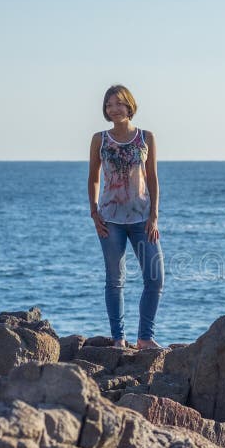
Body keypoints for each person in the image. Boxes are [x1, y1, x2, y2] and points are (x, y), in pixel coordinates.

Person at [88, 84, 164, 350]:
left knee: (155, 277)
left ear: (129, 105)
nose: (114, 109)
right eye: (109, 105)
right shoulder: (100, 139)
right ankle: (119, 339)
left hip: (142, 218)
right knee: (115, 280)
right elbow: (93, 178)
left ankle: (144, 338)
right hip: (110, 220)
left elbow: (152, 178)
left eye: (119, 103)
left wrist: (154, 215)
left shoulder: (146, 138)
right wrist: (94, 213)